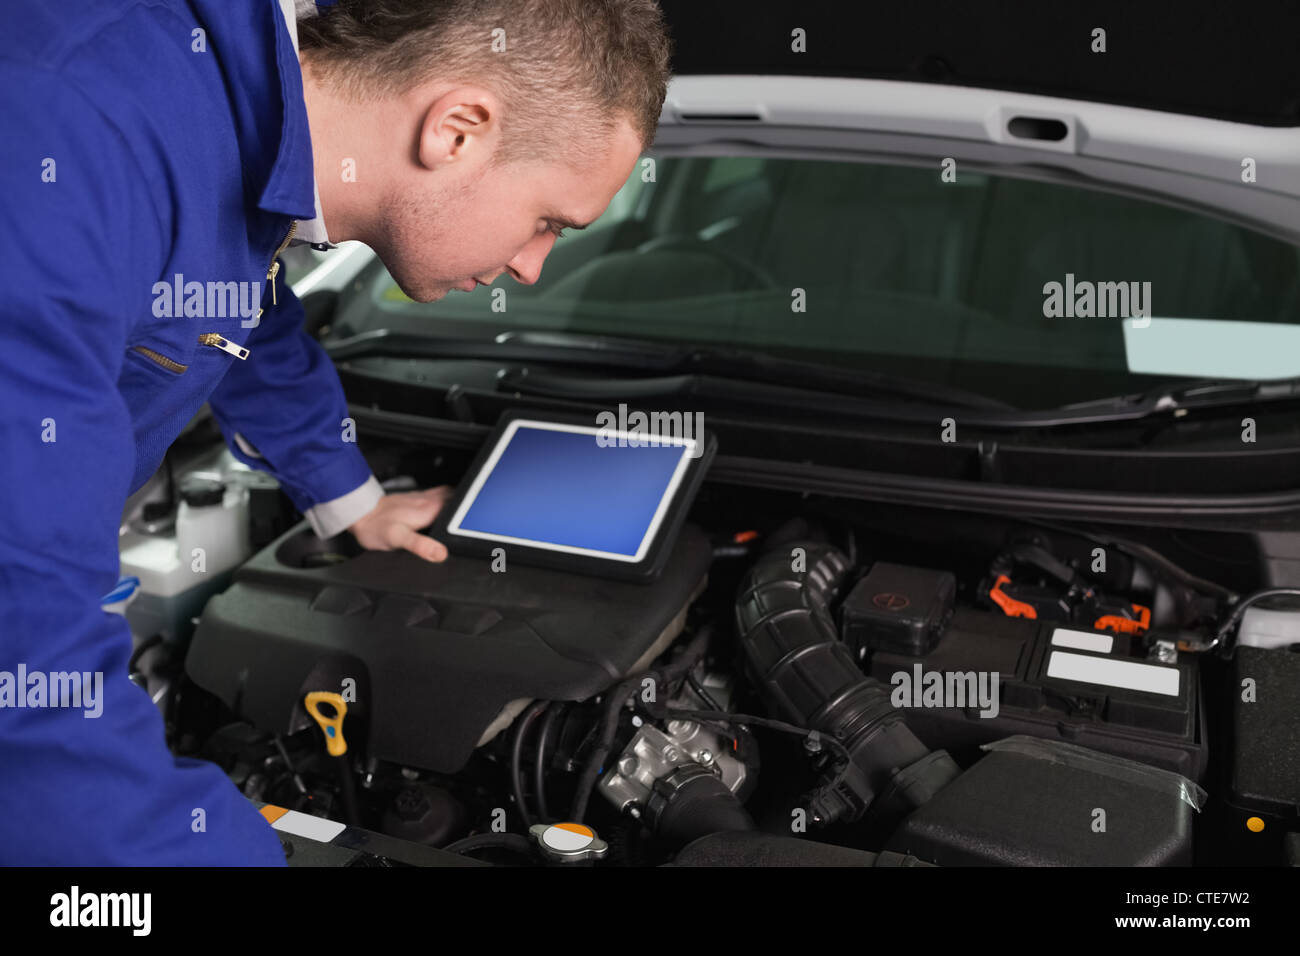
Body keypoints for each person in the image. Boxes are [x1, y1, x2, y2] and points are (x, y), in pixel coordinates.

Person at [0, 0, 671, 865]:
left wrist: (347, 496)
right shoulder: (73, 126)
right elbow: (23, 642)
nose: (532, 267)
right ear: (458, 128)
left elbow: (236, 308)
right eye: (549, 221)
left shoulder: (231, 123)